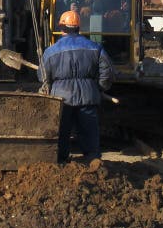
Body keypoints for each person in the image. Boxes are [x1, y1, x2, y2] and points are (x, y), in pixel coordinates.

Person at [40, 10, 114, 163]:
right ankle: (93, 161)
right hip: (88, 98)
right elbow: (107, 73)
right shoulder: (95, 48)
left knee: (61, 134)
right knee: (89, 134)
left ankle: (60, 163)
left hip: (61, 100)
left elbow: (42, 77)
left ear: (61, 28)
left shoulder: (50, 52)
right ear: (78, 28)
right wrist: (98, 88)